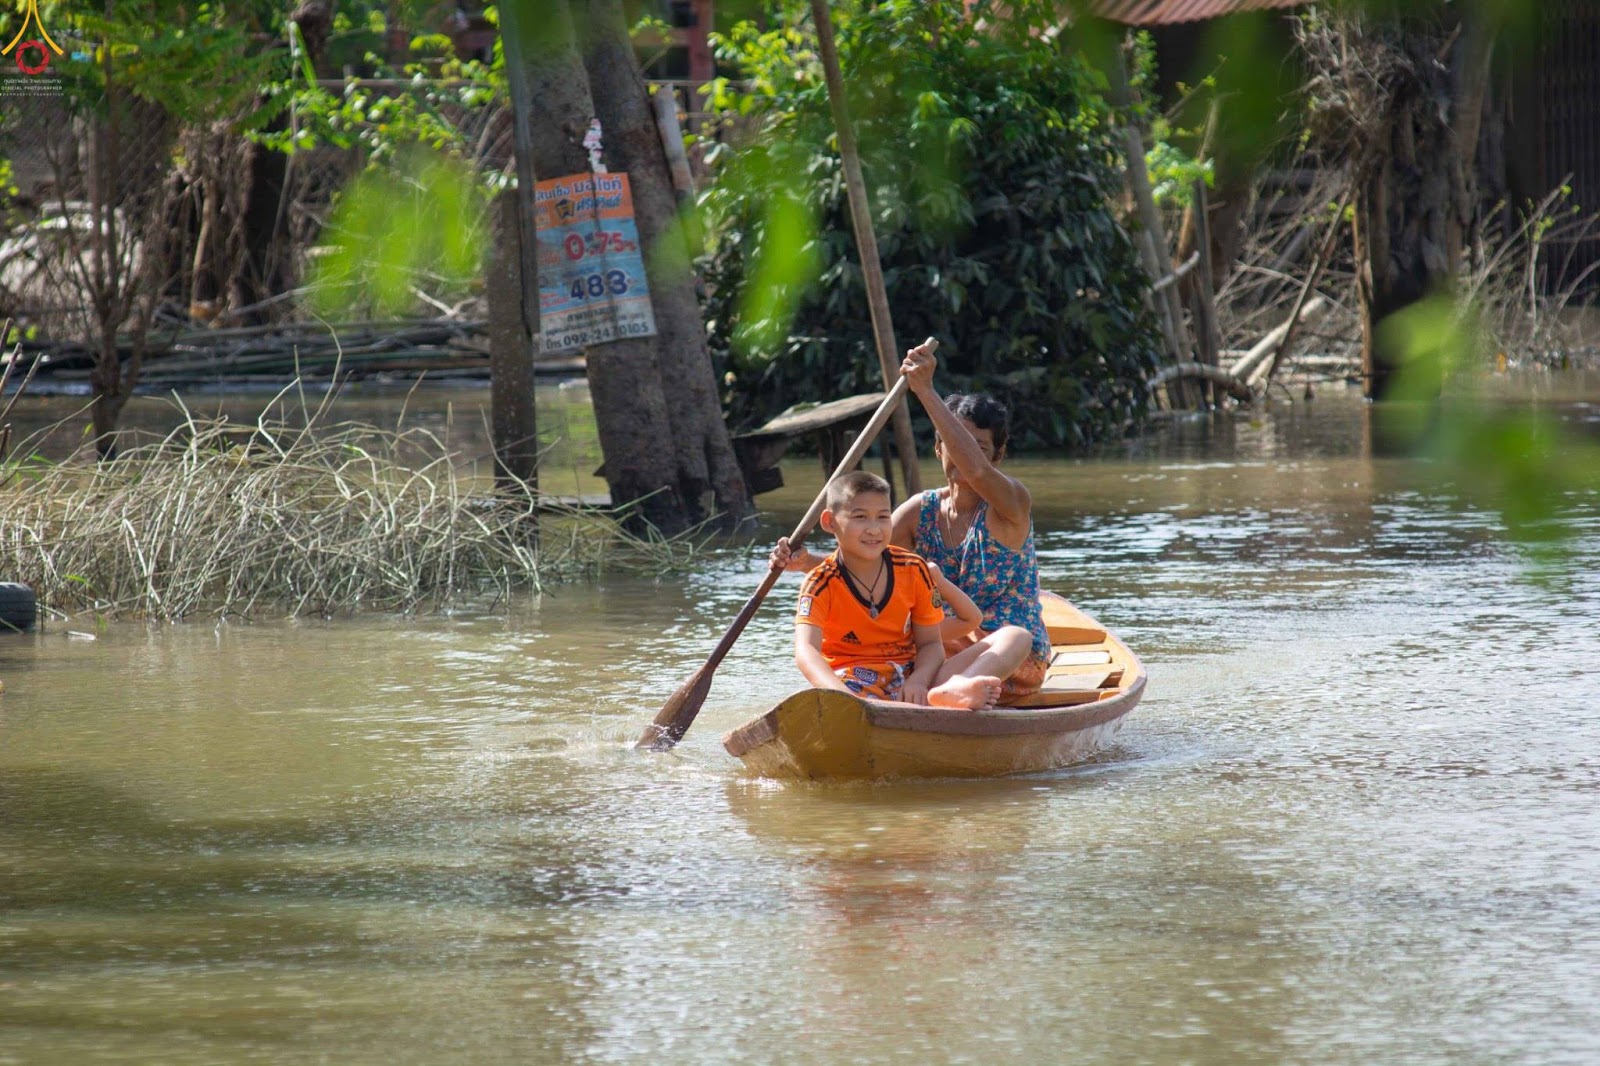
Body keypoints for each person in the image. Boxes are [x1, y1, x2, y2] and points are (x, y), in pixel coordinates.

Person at [892, 339, 1051, 699]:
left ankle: (954, 692)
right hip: (942, 658)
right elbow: (863, 561)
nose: (963, 456)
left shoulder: (1011, 503)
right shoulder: (920, 512)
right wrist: (803, 562)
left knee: (1016, 635)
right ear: (938, 448)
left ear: (998, 455)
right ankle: (941, 693)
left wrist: (925, 391)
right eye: (954, 443)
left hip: (1010, 661)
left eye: (977, 445)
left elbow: (977, 473)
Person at [777, 470, 1003, 709]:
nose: (874, 529)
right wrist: (841, 695)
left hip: (909, 678)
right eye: (860, 517)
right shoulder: (819, 582)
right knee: (836, 702)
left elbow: (930, 644)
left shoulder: (913, 568)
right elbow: (806, 650)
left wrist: (918, 680)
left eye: (883, 517)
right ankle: (934, 701)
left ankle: (937, 696)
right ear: (829, 522)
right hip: (852, 683)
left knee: (1015, 637)